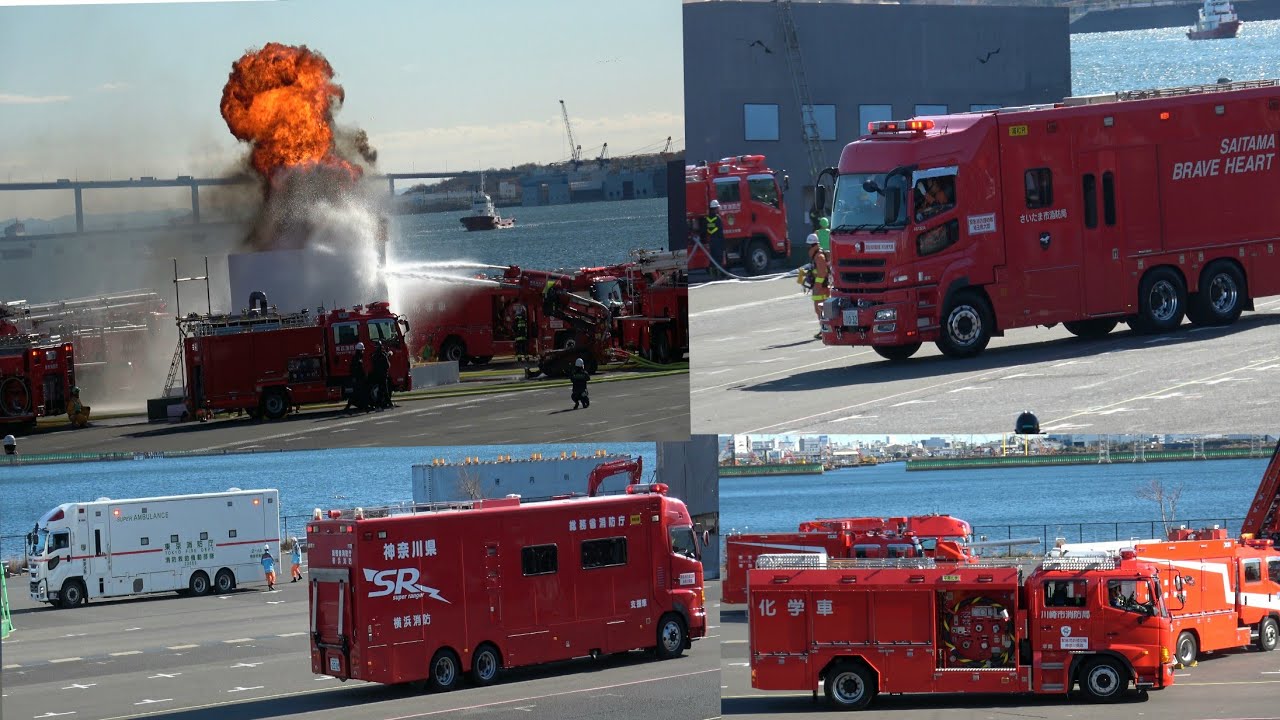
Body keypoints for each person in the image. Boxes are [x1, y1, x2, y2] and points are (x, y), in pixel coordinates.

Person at [804, 234, 830, 339]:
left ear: (811, 245)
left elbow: (822, 273)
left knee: (822, 309)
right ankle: (824, 329)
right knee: (819, 309)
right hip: (819, 287)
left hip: (821, 288)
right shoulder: (816, 255)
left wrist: (817, 285)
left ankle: (826, 329)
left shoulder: (819, 257)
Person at [702, 199, 725, 275]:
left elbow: (705, 231)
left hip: (711, 241)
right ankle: (719, 274)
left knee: (712, 258)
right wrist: (723, 245)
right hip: (718, 241)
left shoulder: (707, 219)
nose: (719, 209)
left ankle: (712, 274)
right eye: (718, 207)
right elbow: (721, 232)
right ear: (715, 208)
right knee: (719, 258)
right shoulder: (718, 219)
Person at [345, 342, 368, 413]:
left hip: (358, 378)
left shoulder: (357, 357)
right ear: (360, 350)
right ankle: (363, 407)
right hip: (358, 378)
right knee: (361, 393)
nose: (363, 351)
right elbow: (357, 369)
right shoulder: (357, 358)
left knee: (357, 393)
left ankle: (358, 406)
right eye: (362, 350)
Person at [368, 340, 390, 410]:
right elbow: (387, 365)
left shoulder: (374, 356)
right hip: (383, 375)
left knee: (382, 390)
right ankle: (380, 405)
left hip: (377, 376)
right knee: (383, 390)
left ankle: (388, 403)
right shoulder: (383, 355)